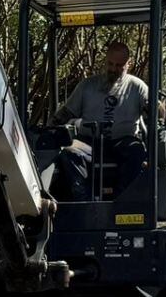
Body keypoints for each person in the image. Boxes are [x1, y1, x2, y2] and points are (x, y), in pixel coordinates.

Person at [55, 41, 149, 199]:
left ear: (128, 64)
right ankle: (84, 203)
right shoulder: (87, 85)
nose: (113, 69)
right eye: (110, 64)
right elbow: (67, 111)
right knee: (70, 152)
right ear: (105, 60)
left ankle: (121, 201)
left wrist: (156, 106)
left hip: (123, 141)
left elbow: (157, 113)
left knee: (136, 151)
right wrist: (54, 122)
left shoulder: (137, 87)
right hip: (89, 141)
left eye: (119, 65)